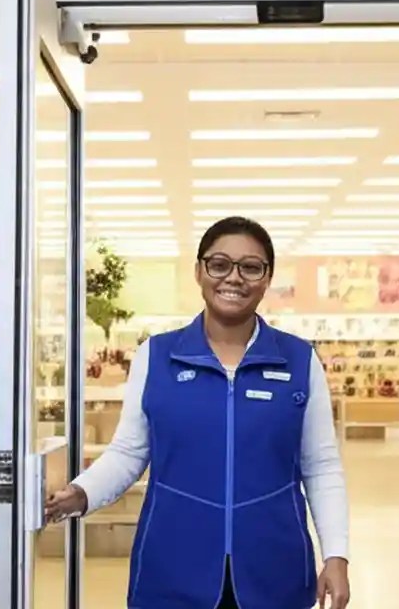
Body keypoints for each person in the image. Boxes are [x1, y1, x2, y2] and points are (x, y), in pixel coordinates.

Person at [45, 216, 351, 609]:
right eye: (219, 264)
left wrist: (336, 555)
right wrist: (82, 493)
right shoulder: (156, 356)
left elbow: (321, 465)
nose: (234, 278)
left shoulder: (299, 360)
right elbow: (129, 453)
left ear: (267, 278)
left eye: (251, 267)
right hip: (172, 567)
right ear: (199, 271)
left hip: (275, 570)